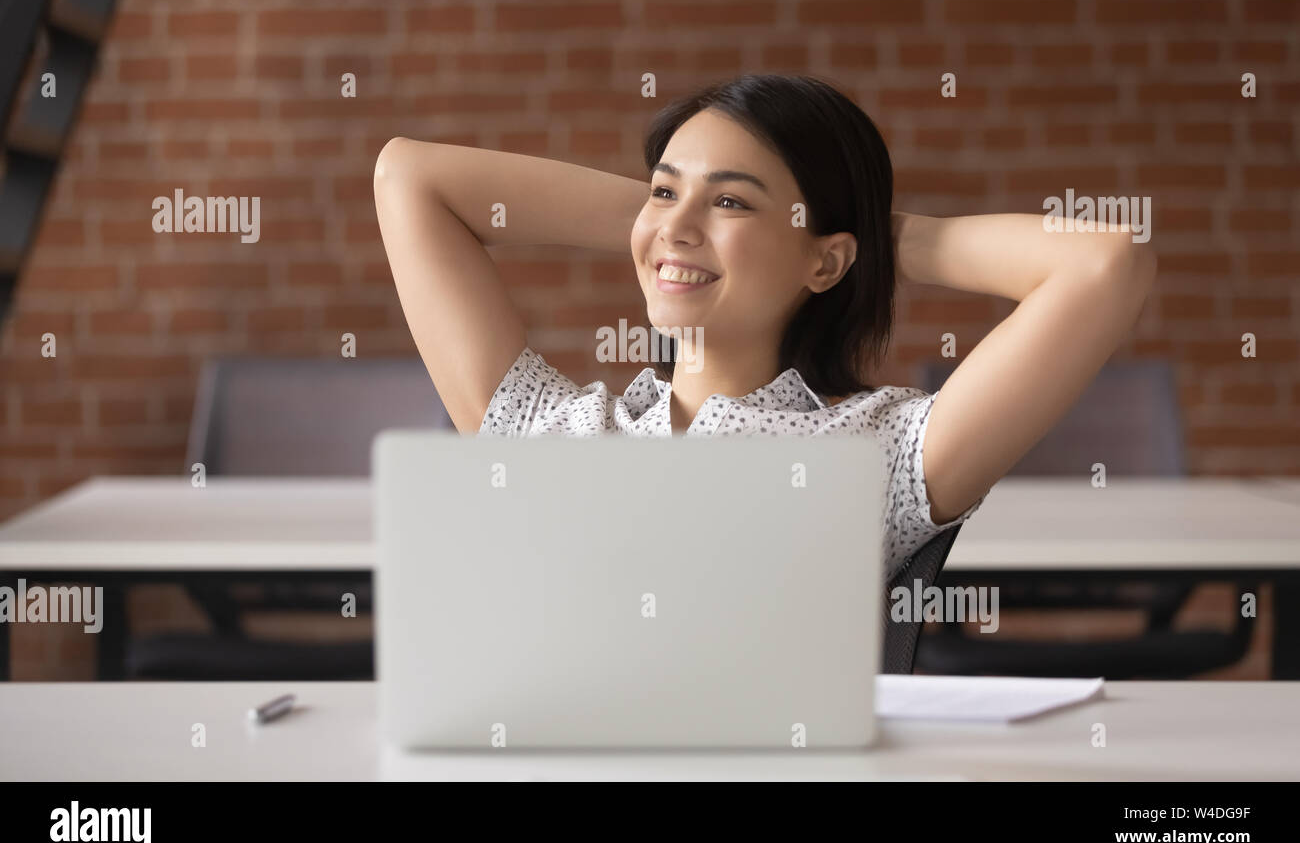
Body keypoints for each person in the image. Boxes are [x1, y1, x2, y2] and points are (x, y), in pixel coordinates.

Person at [373, 73, 1156, 575]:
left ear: (826, 264)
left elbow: (1103, 262)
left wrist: (861, 239)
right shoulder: (551, 430)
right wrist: (674, 224)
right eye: (661, 189)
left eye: (732, 200)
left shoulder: (879, 453)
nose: (676, 225)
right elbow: (407, 175)